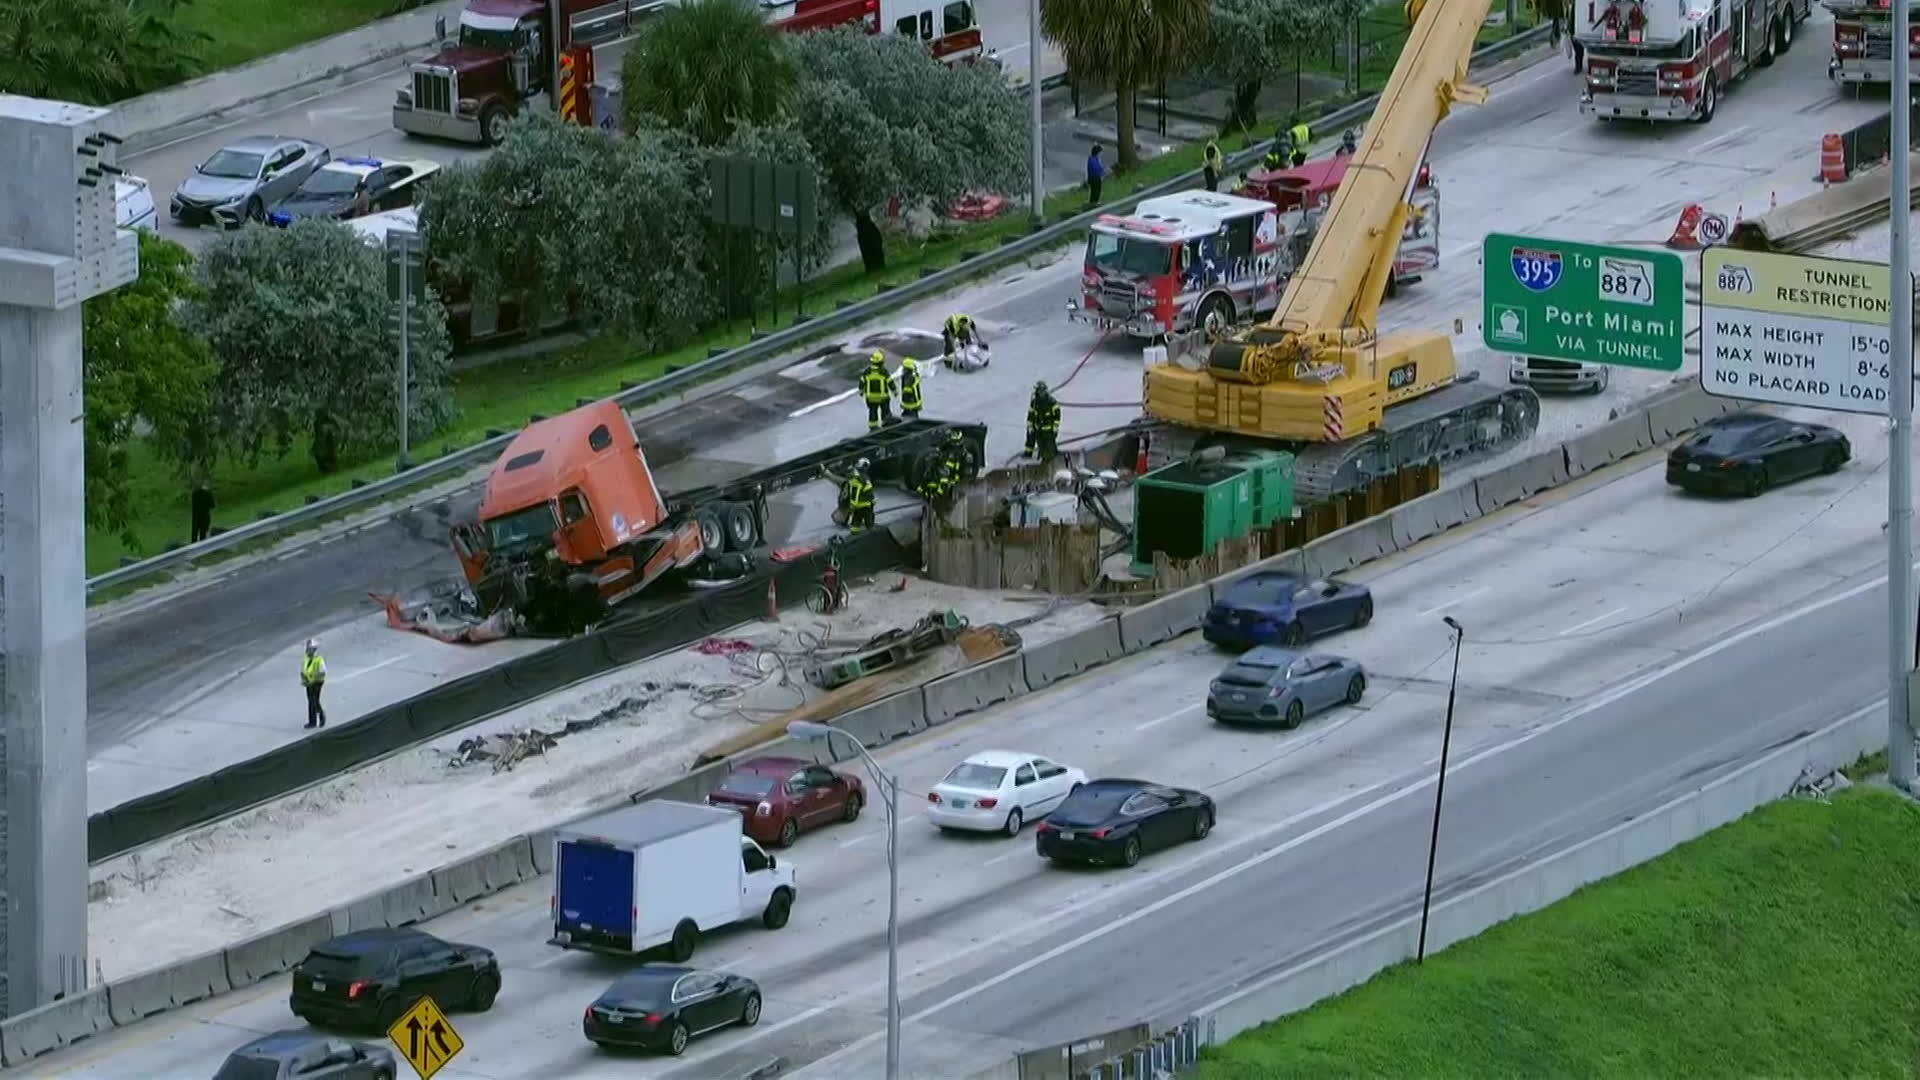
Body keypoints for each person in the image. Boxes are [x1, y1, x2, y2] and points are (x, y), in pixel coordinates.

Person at [1025, 381, 1061, 462]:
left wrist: (1055, 426)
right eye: (1039, 391)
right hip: (1038, 429)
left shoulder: (1051, 402)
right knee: (1041, 447)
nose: (1041, 393)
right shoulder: (1034, 403)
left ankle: (1053, 460)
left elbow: (1057, 415)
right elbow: (1031, 414)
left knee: (1050, 447)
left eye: (1042, 391)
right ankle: (1043, 459)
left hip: (1049, 430)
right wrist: (1030, 425)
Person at [859, 350, 894, 431]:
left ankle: (873, 427)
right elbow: (890, 381)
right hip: (883, 398)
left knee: (873, 412)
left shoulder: (867, 371)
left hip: (870, 398)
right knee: (885, 410)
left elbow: (862, 381)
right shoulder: (883, 371)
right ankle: (886, 422)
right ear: (881, 362)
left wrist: (861, 391)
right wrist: (894, 390)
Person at [841, 458, 875, 533]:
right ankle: (870, 533)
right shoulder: (863, 479)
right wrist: (872, 500)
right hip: (866, 506)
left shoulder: (858, 479)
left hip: (861, 506)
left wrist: (852, 505)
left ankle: (855, 534)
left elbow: (857, 493)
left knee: (856, 522)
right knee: (869, 523)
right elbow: (860, 492)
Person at [301, 638, 328, 729]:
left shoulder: (318, 659)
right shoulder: (306, 657)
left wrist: (313, 678)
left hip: (317, 682)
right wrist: (304, 679)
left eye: (309, 648)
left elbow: (323, 672)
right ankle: (312, 721)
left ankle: (320, 715)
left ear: (314, 649)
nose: (307, 650)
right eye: (307, 648)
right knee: (311, 701)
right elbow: (303, 669)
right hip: (308, 682)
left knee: (314, 701)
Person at [189, 473, 215, 543]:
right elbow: (212, 505)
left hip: (196, 516)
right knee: (203, 534)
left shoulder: (194, 494)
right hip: (205, 516)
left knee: (194, 533)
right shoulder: (208, 493)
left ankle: (193, 545)